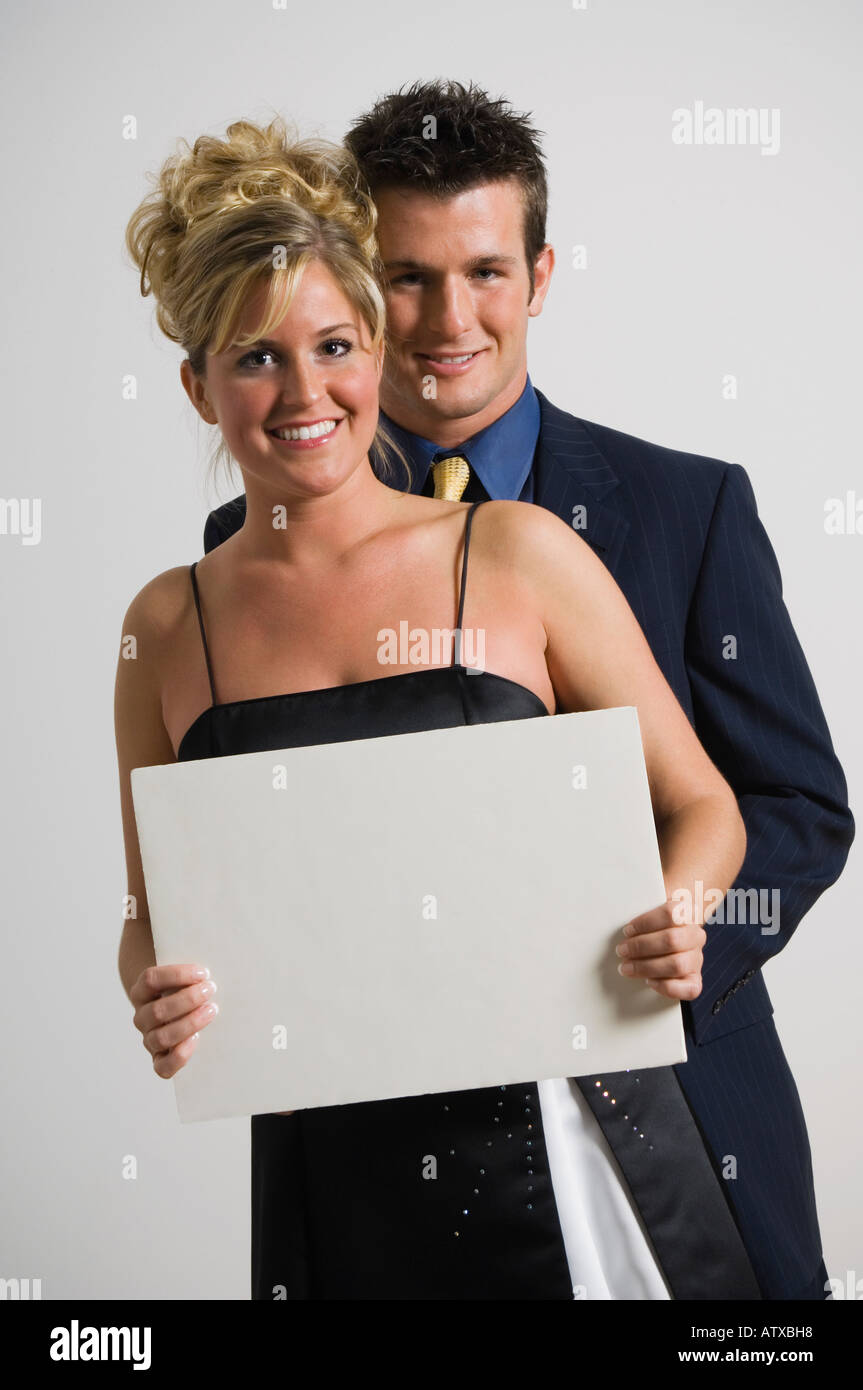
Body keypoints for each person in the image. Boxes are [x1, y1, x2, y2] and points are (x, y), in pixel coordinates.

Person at [202, 83, 855, 1303]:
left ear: (540, 276)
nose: (450, 319)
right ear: (350, 283)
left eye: (486, 272)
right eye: (404, 276)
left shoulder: (684, 507)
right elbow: (264, 866)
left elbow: (795, 806)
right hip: (371, 1150)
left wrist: (662, 949)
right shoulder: (243, 547)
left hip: (673, 1110)